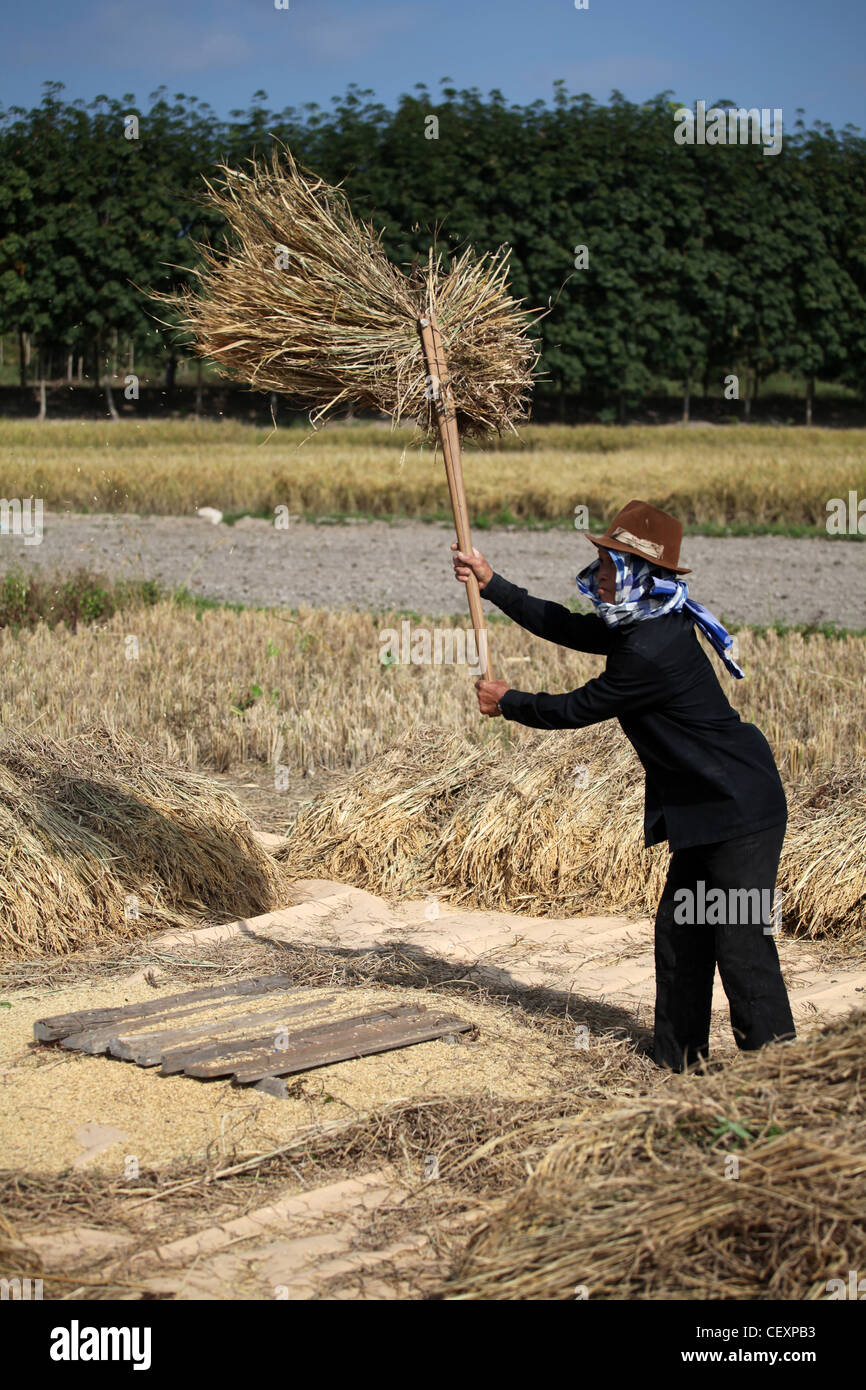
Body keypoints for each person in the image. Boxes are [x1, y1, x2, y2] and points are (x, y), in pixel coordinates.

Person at [452, 499, 795, 1071]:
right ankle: (679, 1064)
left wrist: (508, 703)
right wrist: (493, 584)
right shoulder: (646, 621)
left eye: (612, 564)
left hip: (740, 811)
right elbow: (570, 627)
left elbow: (579, 708)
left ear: (641, 574)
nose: (602, 574)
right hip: (703, 808)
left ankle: (778, 1073)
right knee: (681, 935)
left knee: (739, 944)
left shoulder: (650, 648)